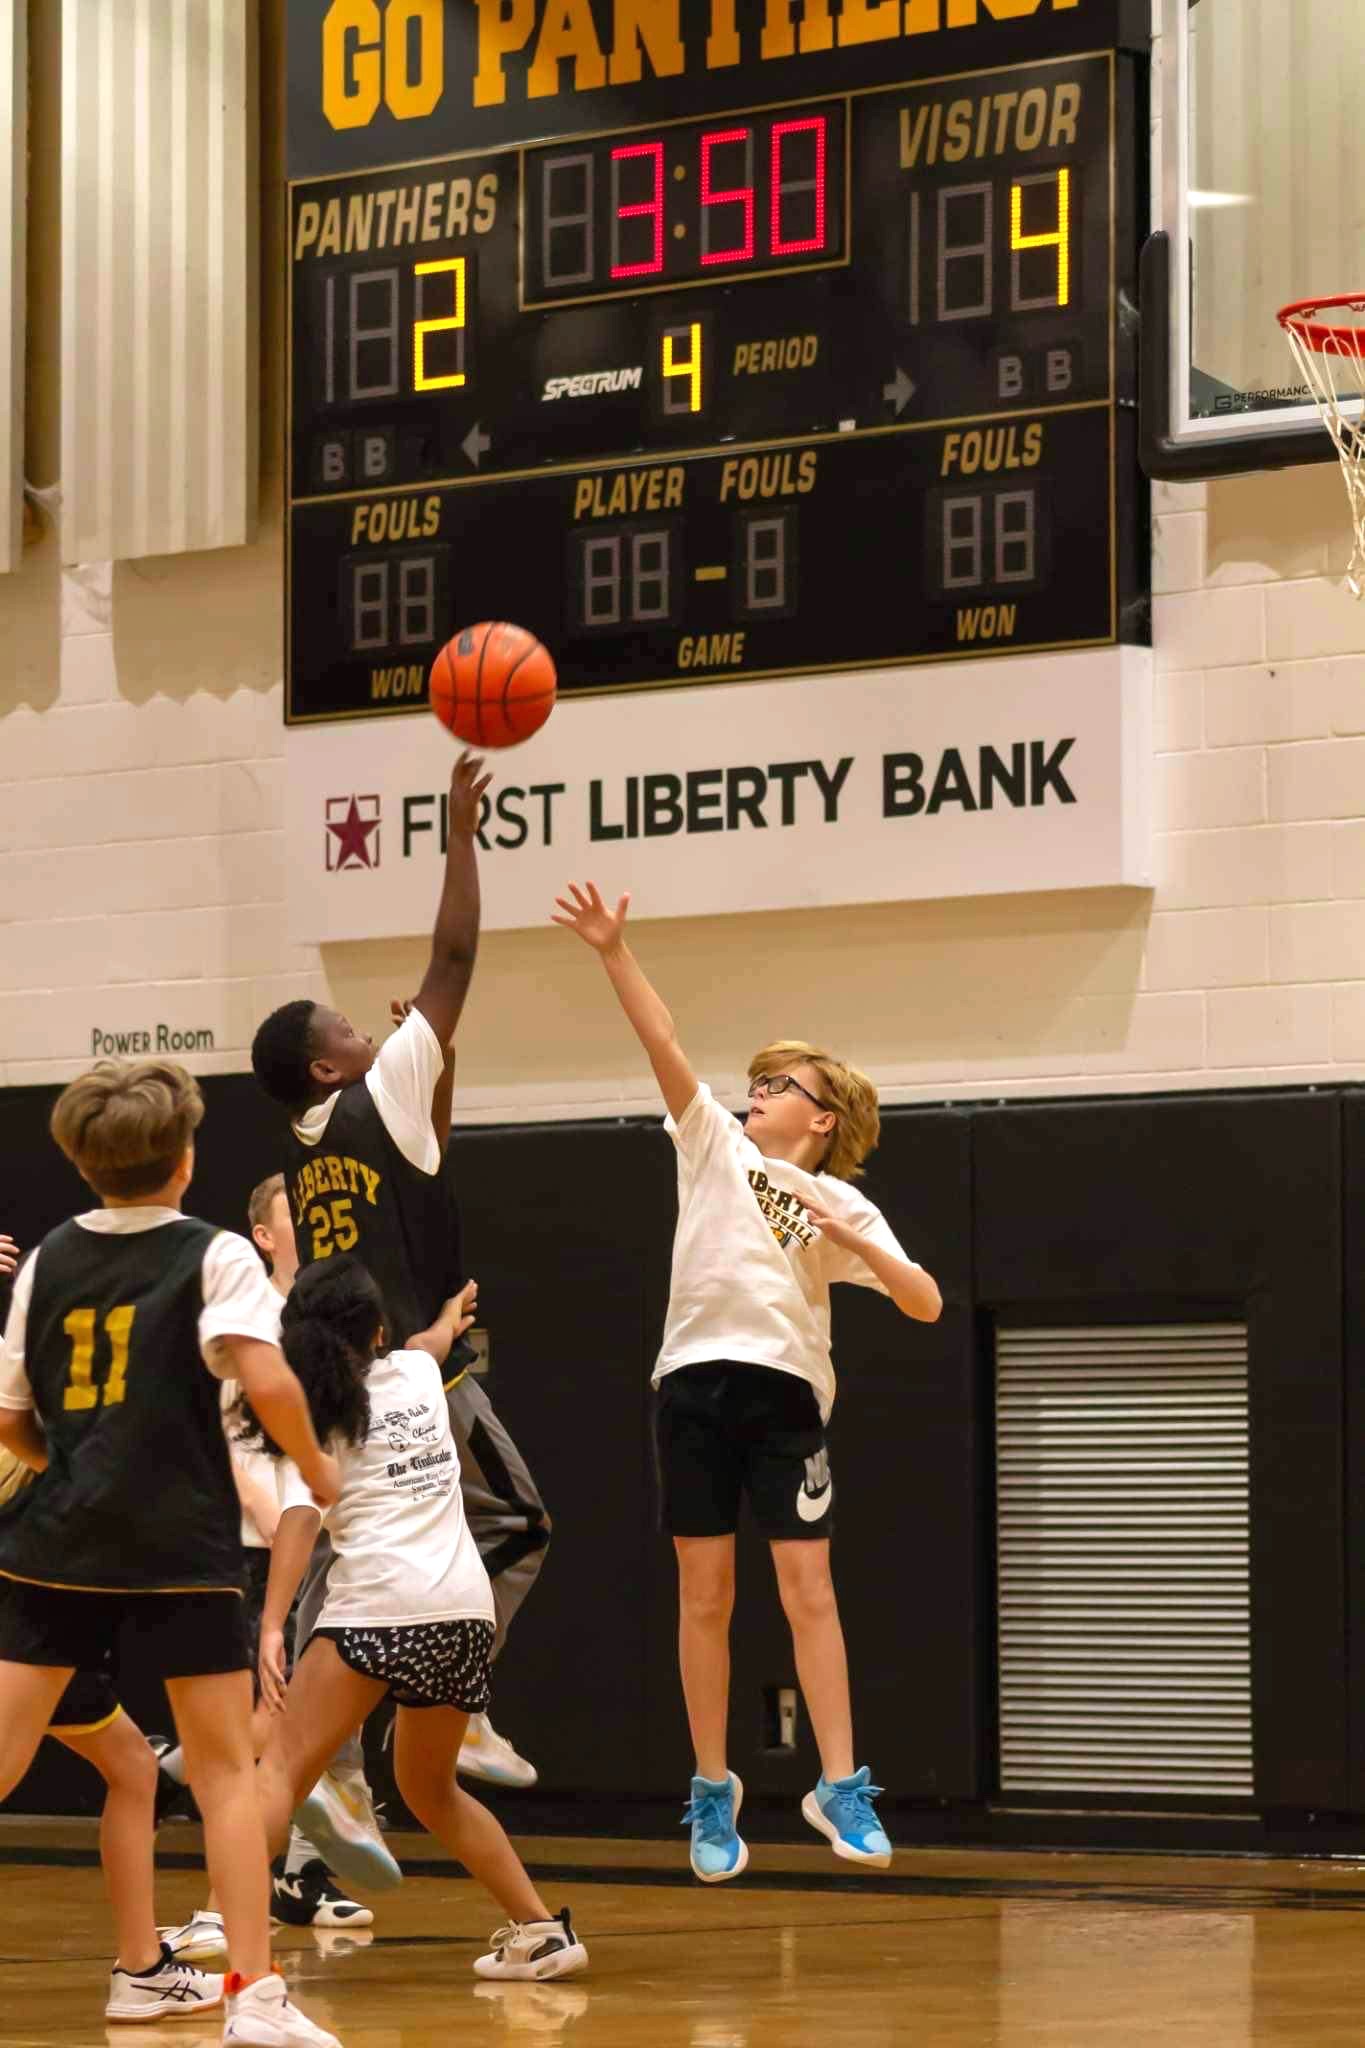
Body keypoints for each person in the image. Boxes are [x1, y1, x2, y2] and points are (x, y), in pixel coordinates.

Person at [553, 881, 943, 1883]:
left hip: (784, 1398)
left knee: (808, 1585)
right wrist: (611, 950)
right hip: (690, 1384)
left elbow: (927, 1302)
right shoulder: (715, 1149)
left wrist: (861, 1240)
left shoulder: (830, 1203)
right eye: (758, 1078)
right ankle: (712, 1786)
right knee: (706, 1592)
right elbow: (663, 1038)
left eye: (779, 1084)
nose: (755, 1091)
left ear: (819, 1119)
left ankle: (838, 1781)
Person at [0, 1057, 342, 2047]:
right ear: (186, 1160)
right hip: (178, 1542)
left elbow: (14, 1418)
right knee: (228, 1772)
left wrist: (72, 1463)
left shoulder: (54, 1254)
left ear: (79, 1159)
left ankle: (200, 1983)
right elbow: (268, 1377)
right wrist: (317, 1466)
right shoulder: (218, 1253)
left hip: (56, 1537)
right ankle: (254, 1997)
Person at [250, 751, 546, 1799]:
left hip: (349, 1374)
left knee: (358, 1541)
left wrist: (437, 1060)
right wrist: (461, 831)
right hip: (423, 1364)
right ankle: (453, 1716)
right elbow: (456, 954)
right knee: (517, 1523)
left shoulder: (310, 1137)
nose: (357, 1021)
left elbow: (429, 1153)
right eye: (341, 1025)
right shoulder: (381, 1090)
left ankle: (335, 1772)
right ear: (330, 1064)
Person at [243, 1256, 587, 1983]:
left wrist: (273, 1625)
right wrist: (447, 1319)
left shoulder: (318, 1416)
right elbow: (426, 1348)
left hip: (376, 1610)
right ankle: (540, 1931)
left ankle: (222, 1931)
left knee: (277, 1770)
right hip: (463, 1615)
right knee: (431, 1789)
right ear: (375, 1329)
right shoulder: (417, 1376)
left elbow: (299, 1526)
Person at [156, 1174, 387, 1962]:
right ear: (265, 1234)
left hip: (338, 1541)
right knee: (277, 1731)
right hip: (263, 1544)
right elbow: (230, 1434)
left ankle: (294, 1869)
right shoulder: (244, 1310)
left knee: (302, 1735)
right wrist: (267, 1506)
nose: (320, 1220)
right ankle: (192, 1798)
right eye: (301, 1212)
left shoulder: (344, 1315)